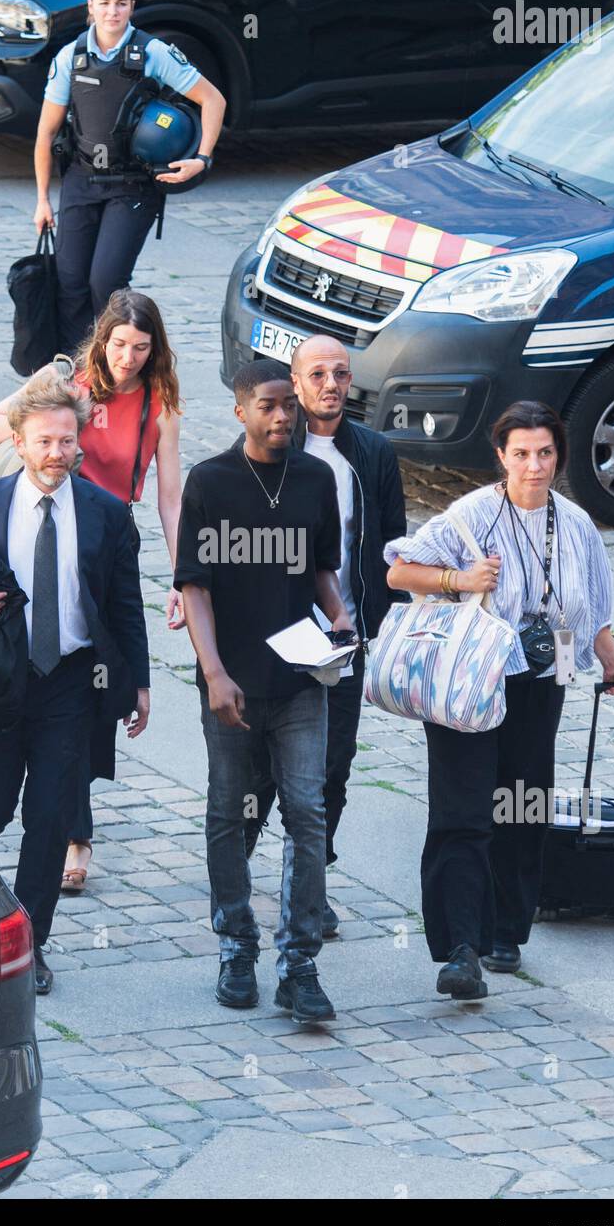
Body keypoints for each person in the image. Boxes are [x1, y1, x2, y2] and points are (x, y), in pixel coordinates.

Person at [385, 399, 614, 1001]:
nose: (534, 465)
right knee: (464, 810)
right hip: (473, 677)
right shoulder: (471, 516)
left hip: (541, 682)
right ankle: (460, 948)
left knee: (521, 804)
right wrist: (460, 581)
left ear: (559, 456)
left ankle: (505, 929)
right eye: (521, 453)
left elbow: (593, 610)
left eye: (545, 453)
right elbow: (400, 571)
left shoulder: (575, 524)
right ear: (500, 456)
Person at [0, 289, 183, 892]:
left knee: (93, 685)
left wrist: (183, 576)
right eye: (119, 344)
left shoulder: (158, 406)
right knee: (53, 674)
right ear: (102, 339)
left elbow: (170, 498)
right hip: (47, 537)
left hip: (107, 550)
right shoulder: (71, 384)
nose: (129, 358)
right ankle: (72, 832)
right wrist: (38, 427)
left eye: (142, 348)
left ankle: (71, 825)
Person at [0, 371, 150, 995]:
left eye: (67, 441)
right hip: (0, 685)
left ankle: (30, 944)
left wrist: (137, 683)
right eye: (44, 442)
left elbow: (124, 603)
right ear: (18, 441)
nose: (57, 453)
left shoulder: (107, 514)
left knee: (50, 818)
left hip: (70, 682)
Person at [174, 359, 355, 1024]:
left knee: (306, 813)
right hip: (233, 686)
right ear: (242, 411)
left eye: (290, 407)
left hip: (302, 680)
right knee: (228, 811)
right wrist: (215, 672)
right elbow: (193, 587)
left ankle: (299, 963)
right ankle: (235, 944)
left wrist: (338, 617)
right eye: (270, 406)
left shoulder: (314, 479)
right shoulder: (211, 484)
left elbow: (322, 572)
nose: (283, 417)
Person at [245, 335, 407, 939]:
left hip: (345, 638)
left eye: (340, 373)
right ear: (294, 380)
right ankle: (235, 874)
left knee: (331, 769)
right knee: (260, 767)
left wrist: (391, 624)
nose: (331, 384)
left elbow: (393, 544)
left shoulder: (371, 453)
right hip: (275, 637)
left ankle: (308, 887)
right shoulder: (266, 449)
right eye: (317, 374)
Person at [33, 0, 226, 353]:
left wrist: (202, 158)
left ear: (132, 6)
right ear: (90, 6)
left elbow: (213, 99)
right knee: (69, 282)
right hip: (81, 180)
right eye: (104, 3)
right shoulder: (70, 57)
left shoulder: (153, 52)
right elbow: (45, 133)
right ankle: (74, 368)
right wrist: (41, 200)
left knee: (105, 282)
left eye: (121, 3)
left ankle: (115, 365)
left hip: (132, 186)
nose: (112, 12)